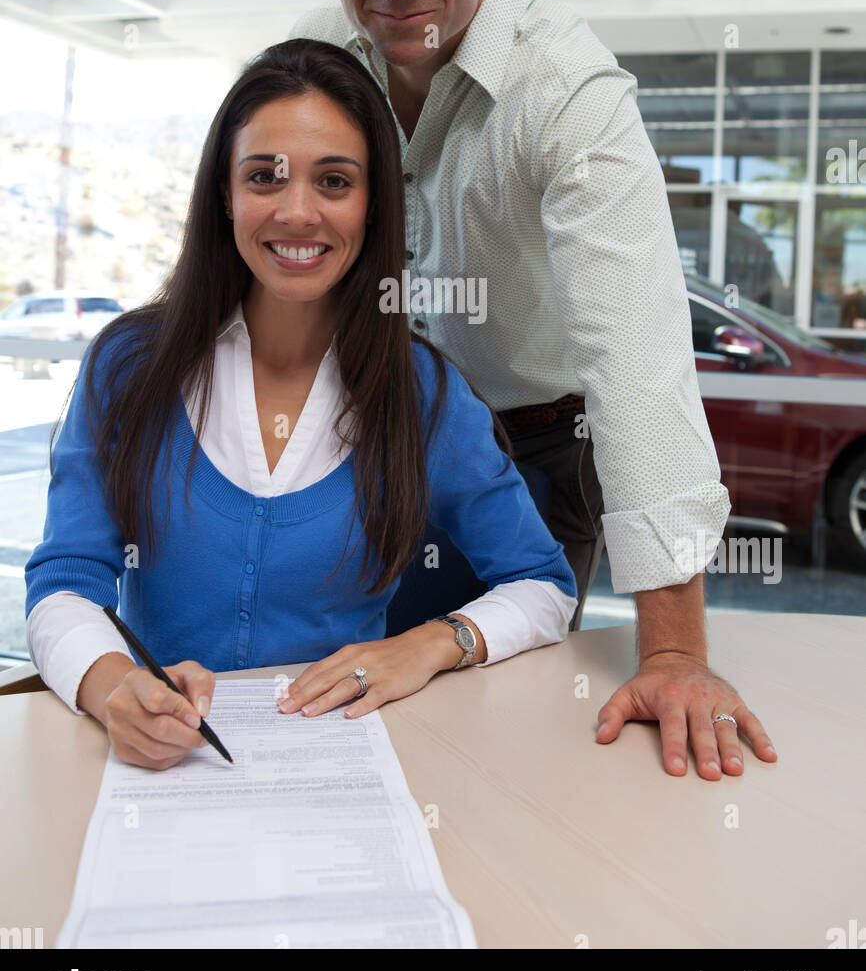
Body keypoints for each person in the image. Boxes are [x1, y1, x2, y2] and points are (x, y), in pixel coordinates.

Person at [288, 0, 778, 780]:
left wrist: (674, 651)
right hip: (368, 430)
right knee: (327, 695)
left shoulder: (566, 91)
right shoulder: (314, 63)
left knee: (496, 740)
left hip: (537, 448)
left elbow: (633, 352)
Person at [24, 39, 577, 772]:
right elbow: (65, 580)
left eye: (335, 182)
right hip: (163, 773)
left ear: (373, 203)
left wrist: (428, 645)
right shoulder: (129, 367)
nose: (297, 212)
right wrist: (114, 687)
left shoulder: (422, 392)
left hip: (341, 777)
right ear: (225, 193)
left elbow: (544, 584)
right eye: (264, 177)